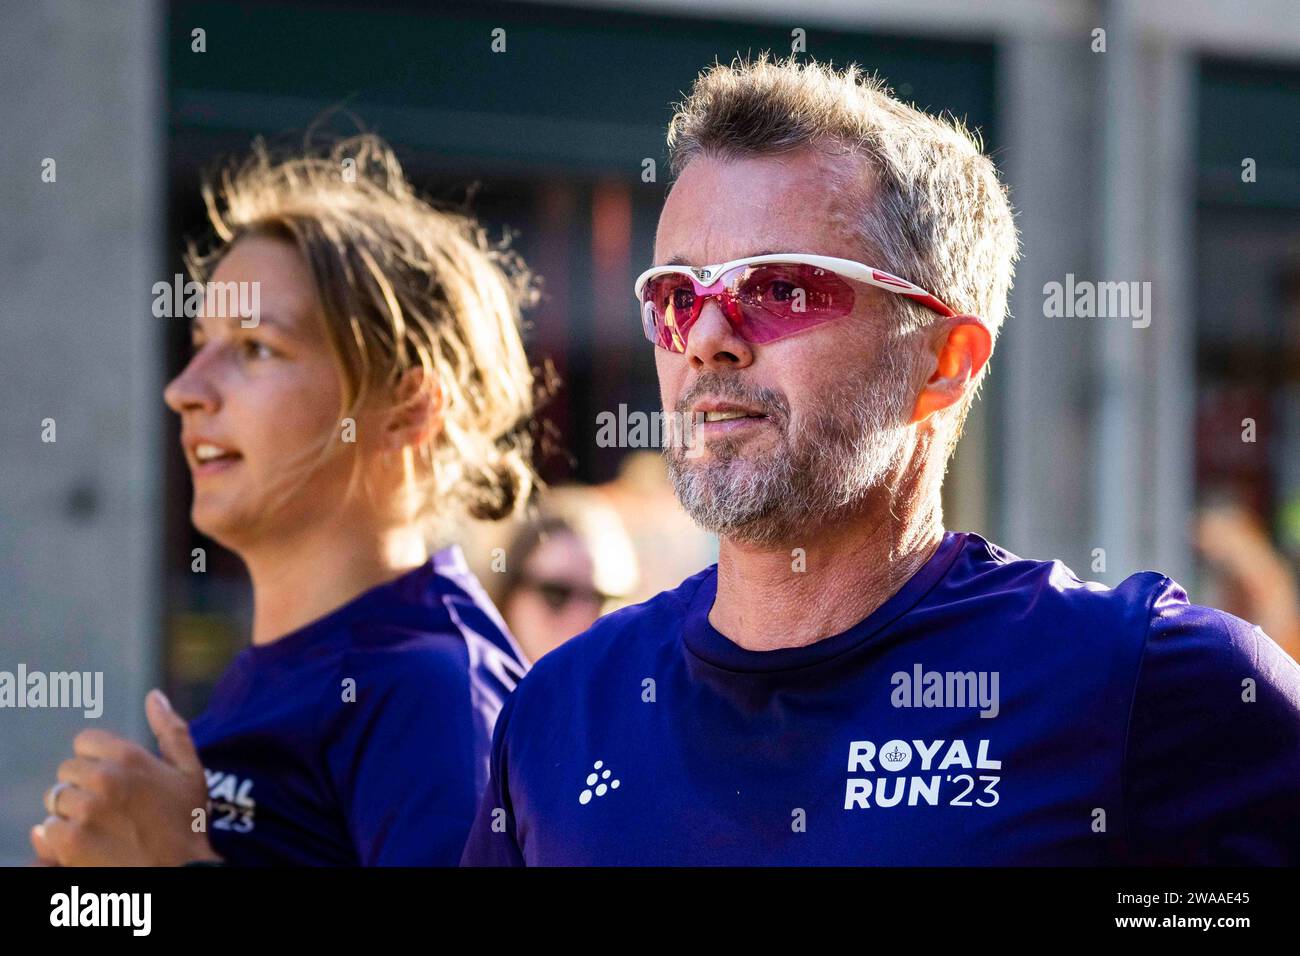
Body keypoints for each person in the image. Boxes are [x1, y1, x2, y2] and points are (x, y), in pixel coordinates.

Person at [461, 55, 1300, 866]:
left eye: (781, 289)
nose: (708, 339)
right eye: (678, 297)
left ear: (946, 362)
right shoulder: (562, 710)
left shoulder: (1148, 683)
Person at [32, 133, 533, 866]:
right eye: (199, 342)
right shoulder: (282, 670)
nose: (185, 390)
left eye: (256, 348)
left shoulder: (432, 690)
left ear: (408, 407)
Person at [486, 486, 638, 664]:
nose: (583, 619)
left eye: (606, 600)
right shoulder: (460, 682)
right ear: (507, 596)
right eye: (557, 594)